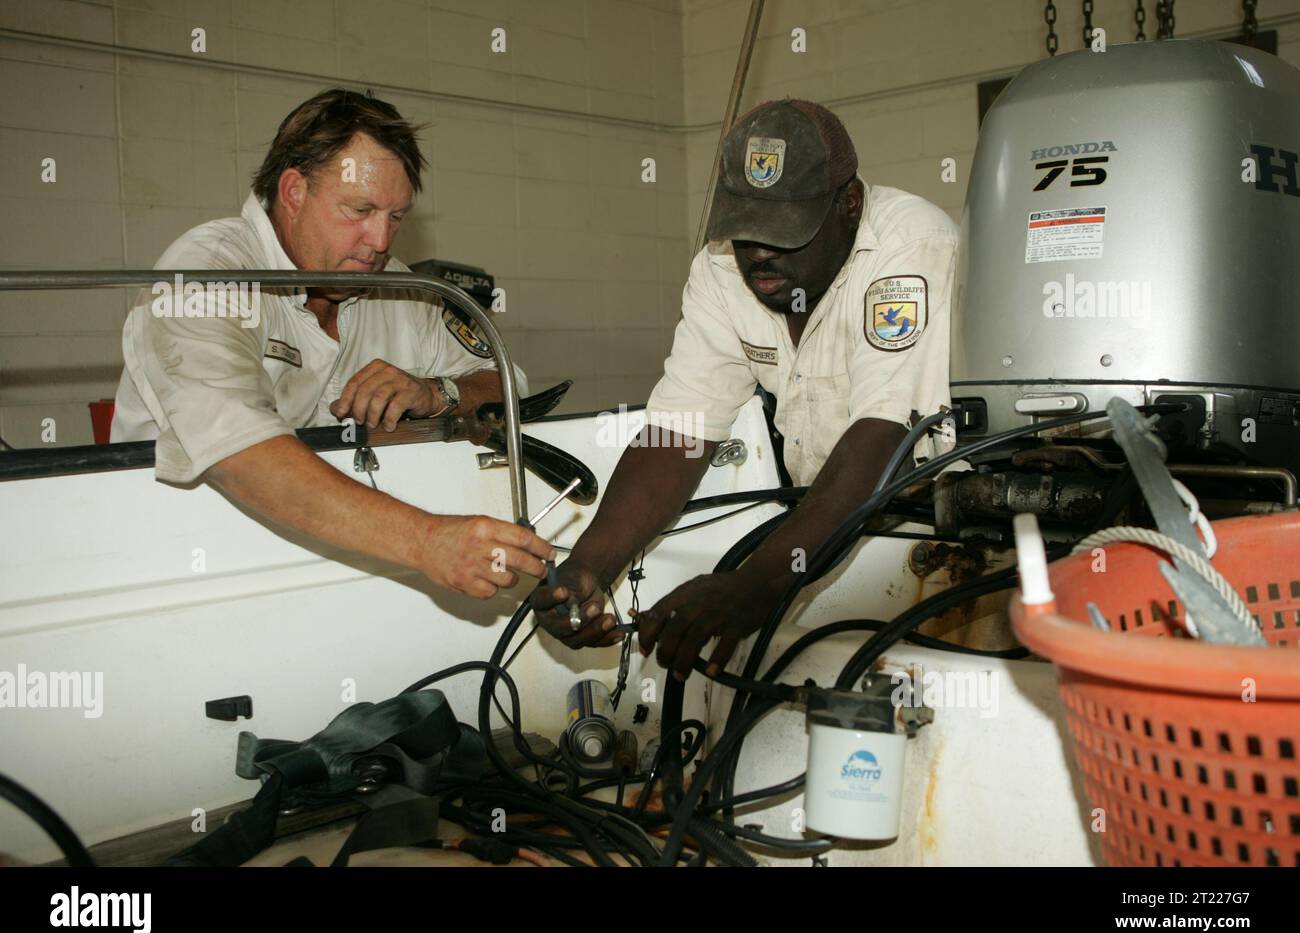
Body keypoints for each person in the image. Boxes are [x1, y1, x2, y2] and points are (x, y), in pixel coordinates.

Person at [533, 99, 956, 677]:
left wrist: (753, 585)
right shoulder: (720, 268)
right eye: (744, 230)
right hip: (823, 522)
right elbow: (680, 431)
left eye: (785, 233)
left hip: (934, 533)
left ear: (849, 205)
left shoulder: (909, 244)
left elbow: (885, 433)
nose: (757, 252)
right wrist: (588, 568)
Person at [110, 88, 553, 599]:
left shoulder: (402, 290)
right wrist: (429, 541)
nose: (381, 241)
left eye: (395, 217)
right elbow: (238, 452)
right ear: (295, 191)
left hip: (345, 566)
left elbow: (509, 388)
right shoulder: (206, 275)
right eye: (360, 209)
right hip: (184, 570)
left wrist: (438, 392)